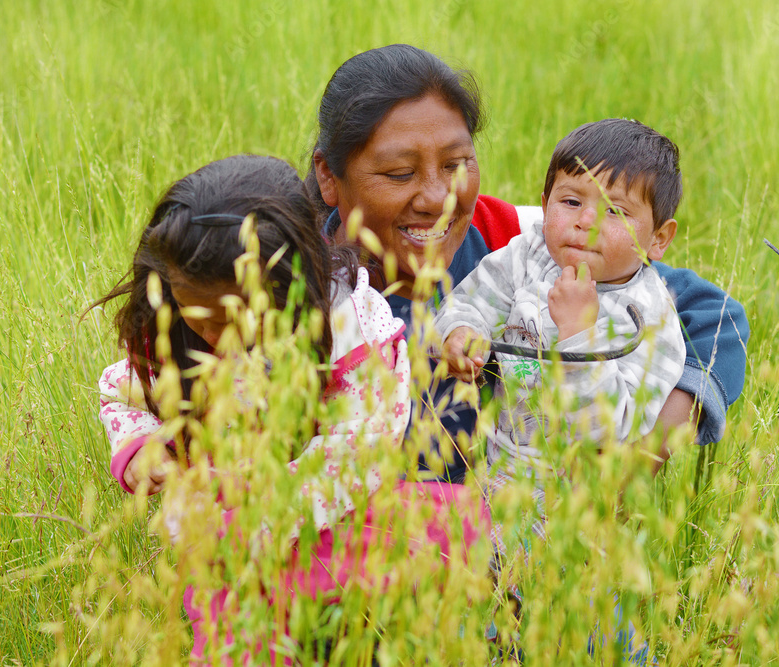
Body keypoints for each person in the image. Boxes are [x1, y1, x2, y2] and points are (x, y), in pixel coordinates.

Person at [92, 155, 487, 665]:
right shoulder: (180, 332)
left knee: (371, 630)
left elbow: (362, 448)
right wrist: (142, 448)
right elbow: (119, 392)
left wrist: (259, 512)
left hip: (338, 519)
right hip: (228, 542)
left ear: (294, 287)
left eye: (235, 318)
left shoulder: (348, 328)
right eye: (197, 313)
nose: (215, 336)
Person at [307, 44, 749, 484]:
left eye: (456, 165)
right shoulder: (299, 290)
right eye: (400, 174)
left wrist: (632, 465)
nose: (438, 198)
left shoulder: (515, 241)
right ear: (329, 176)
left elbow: (714, 316)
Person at [435, 118, 688, 540]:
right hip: (495, 467)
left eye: (616, 212)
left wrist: (579, 333)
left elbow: (612, 428)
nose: (586, 221)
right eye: (570, 202)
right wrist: (462, 332)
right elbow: (473, 299)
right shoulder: (530, 254)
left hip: (574, 508)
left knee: (541, 595)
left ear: (658, 239)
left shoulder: (650, 319)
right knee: (468, 575)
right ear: (544, 203)